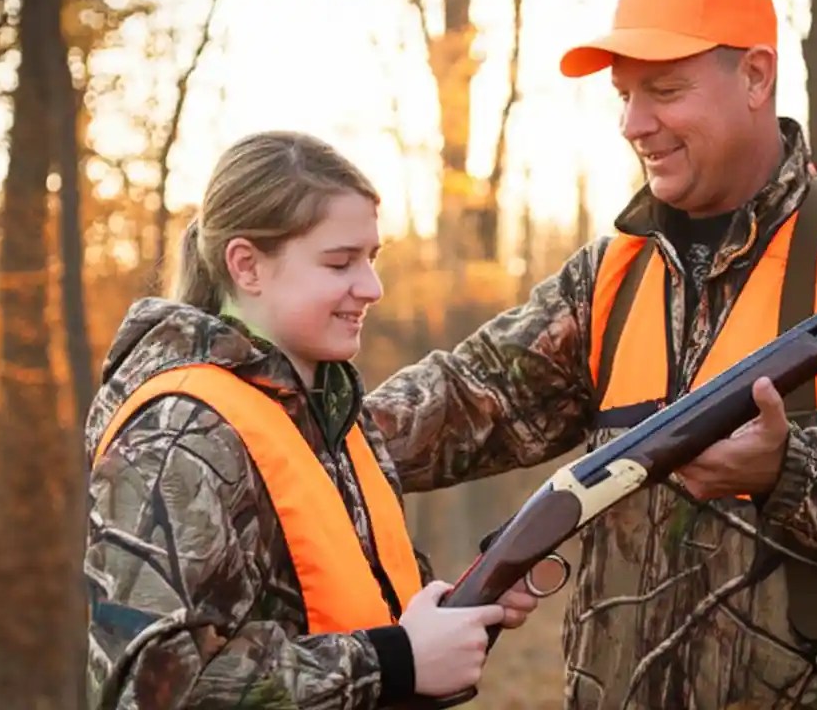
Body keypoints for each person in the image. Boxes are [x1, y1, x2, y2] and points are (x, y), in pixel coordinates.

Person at [367, 0, 817, 708]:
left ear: (755, 77)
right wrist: (282, 424)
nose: (634, 123)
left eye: (664, 90)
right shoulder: (611, 276)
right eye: (624, 95)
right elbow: (465, 401)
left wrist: (790, 468)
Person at [82, 130, 540, 709]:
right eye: (339, 262)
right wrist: (396, 659)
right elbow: (157, 690)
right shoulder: (175, 433)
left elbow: (349, 618)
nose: (371, 288)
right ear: (247, 265)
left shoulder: (326, 412)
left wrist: (465, 610)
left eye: (371, 259)